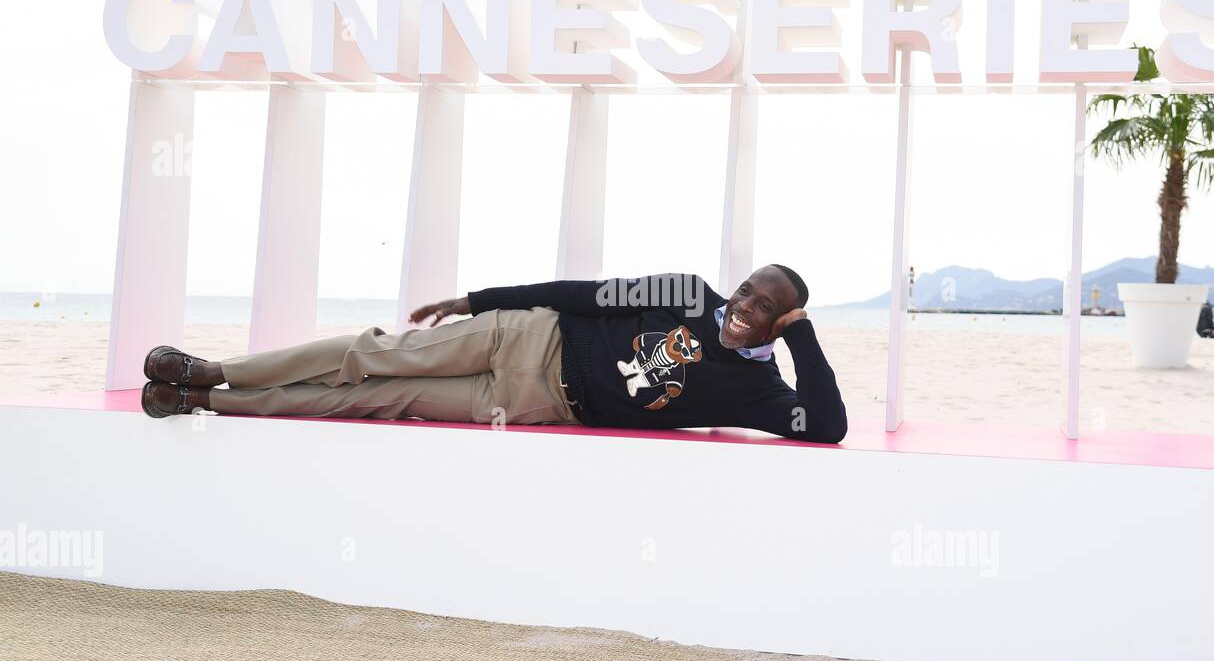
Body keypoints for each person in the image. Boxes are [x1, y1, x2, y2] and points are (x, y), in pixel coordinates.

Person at [138, 266, 849, 444]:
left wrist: (804, 336)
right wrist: (477, 300)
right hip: (528, 336)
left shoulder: (760, 393)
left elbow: (828, 426)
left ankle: (204, 401)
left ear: (777, 327)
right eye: (745, 290)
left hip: (534, 403)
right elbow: (589, 292)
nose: (740, 306)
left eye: (761, 308)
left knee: (374, 398)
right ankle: (213, 368)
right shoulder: (689, 290)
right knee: (371, 356)